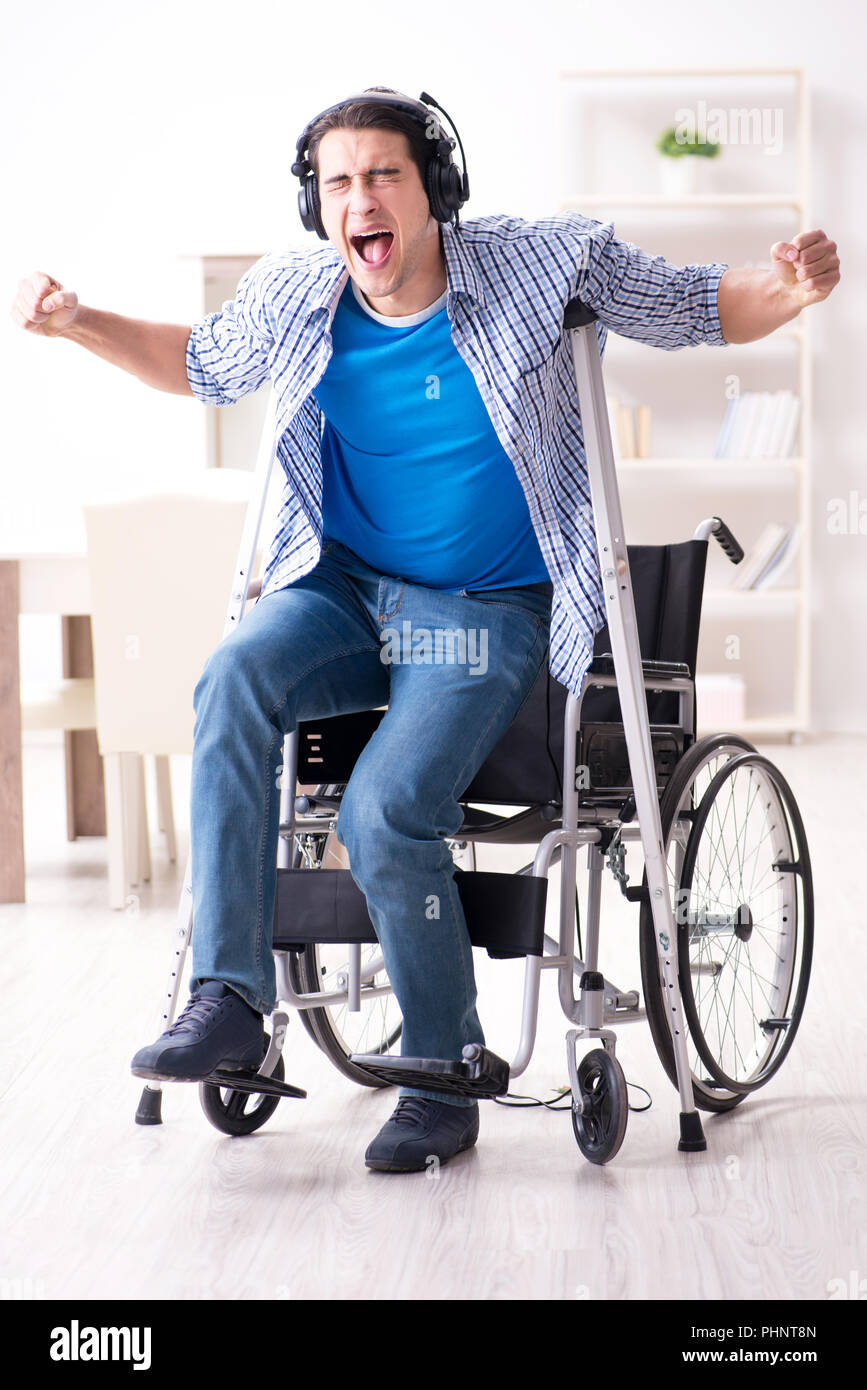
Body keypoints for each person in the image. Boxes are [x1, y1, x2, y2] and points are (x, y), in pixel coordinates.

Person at [11, 86, 839, 1173]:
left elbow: (687, 305)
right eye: (338, 182)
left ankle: (446, 1075)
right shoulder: (302, 292)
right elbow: (203, 362)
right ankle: (230, 998)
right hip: (345, 592)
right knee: (231, 682)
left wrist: (781, 288)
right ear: (319, 206)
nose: (360, 199)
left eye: (383, 175)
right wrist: (78, 322)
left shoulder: (535, 265)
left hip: (483, 613)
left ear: (435, 188)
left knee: (387, 803)